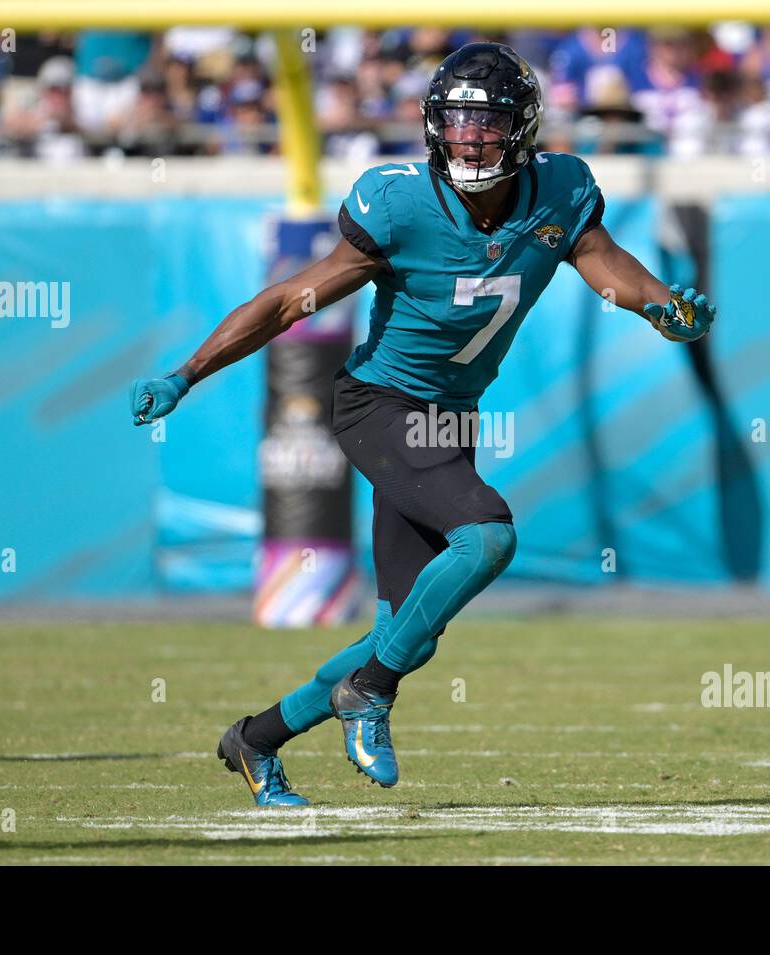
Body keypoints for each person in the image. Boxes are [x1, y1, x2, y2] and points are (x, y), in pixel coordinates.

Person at [129, 42, 717, 805]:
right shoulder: (401, 203)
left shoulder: (560, 192)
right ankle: (365, 696)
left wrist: (660, 305)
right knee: (489, 537)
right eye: (457, 119)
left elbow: (603, 259)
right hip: (380, 407)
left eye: (487, 121)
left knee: (403, 631)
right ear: (433, 124)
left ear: (523, 128)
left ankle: (257, 738)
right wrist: (185, 373)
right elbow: (285, 300)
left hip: (451, 418)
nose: (470, 136)